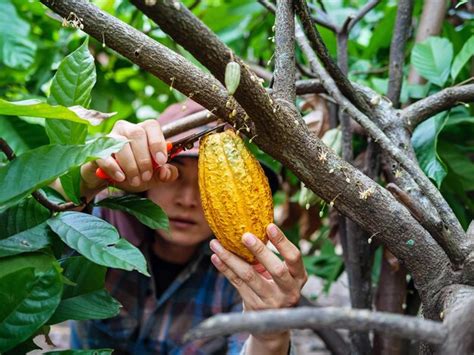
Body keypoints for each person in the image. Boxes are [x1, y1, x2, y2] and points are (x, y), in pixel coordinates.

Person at [61, 100, 307, 354]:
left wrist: (270, 337)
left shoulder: (243, 271)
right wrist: (85, 181)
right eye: (175, 174)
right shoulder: (102, 228)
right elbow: (29, 235)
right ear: (150, 177)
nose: (187, 200)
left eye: (207, 180)